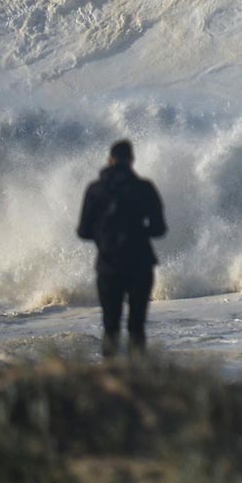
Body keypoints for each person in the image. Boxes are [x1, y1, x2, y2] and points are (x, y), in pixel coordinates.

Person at [76, 138, 167, 356]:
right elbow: (159, 229)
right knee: (136, 328)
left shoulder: (95, 190)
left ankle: (111, 381)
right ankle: (136, 382)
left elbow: (83, 231)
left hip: (108, 267)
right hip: (140, 265)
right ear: (131, 160)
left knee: (111, 328)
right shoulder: (144, 188)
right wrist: (137, 233)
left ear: (110, 160)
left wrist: (105, 237)